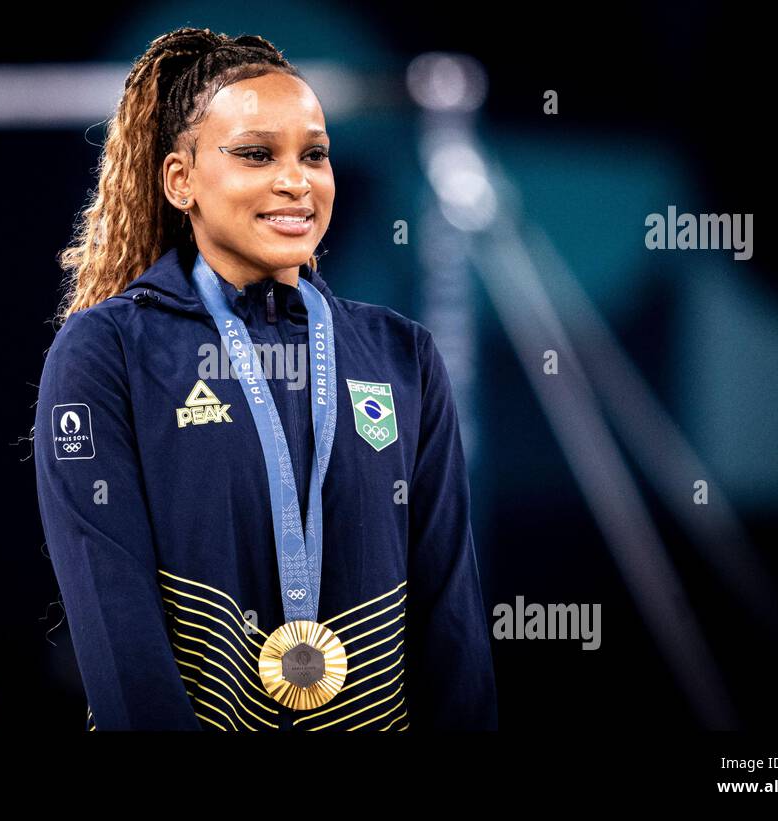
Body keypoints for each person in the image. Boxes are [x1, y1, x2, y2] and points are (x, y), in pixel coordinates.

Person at [33, 26, 497, 731]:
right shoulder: (106, 352)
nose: (295, 180)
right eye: (256, 154)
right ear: (179, 180)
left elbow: (453, 630)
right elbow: (117, 633)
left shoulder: (402, 356)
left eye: (314, 154)